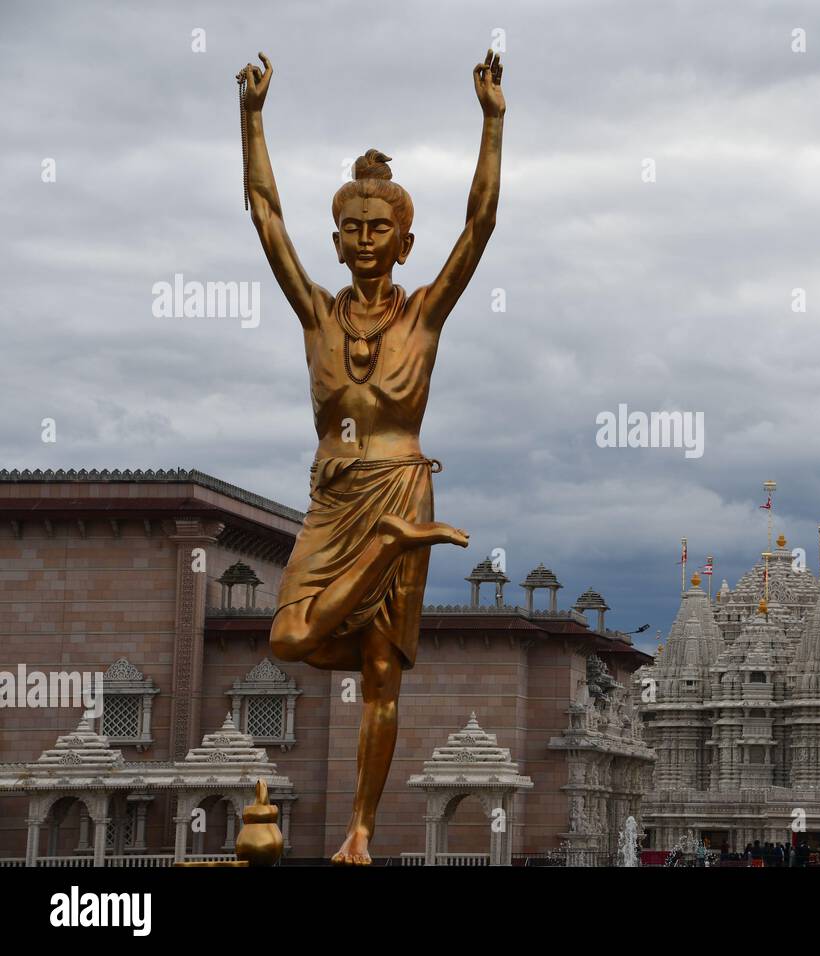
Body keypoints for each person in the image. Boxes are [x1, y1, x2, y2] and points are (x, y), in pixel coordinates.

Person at [243, 48, 505, 865]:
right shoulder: (316, 315)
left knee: (382, 676)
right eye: (352, 228)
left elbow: (482, 223)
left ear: (403, 238)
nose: (364, 240)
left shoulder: (424, 314)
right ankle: (389, 549)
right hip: (337, 497)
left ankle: (359, 830)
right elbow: (264, 215)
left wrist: (493, 120)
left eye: (379, 229)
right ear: (338, 237)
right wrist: (251, 118)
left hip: (399, 481)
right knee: (288, 638)